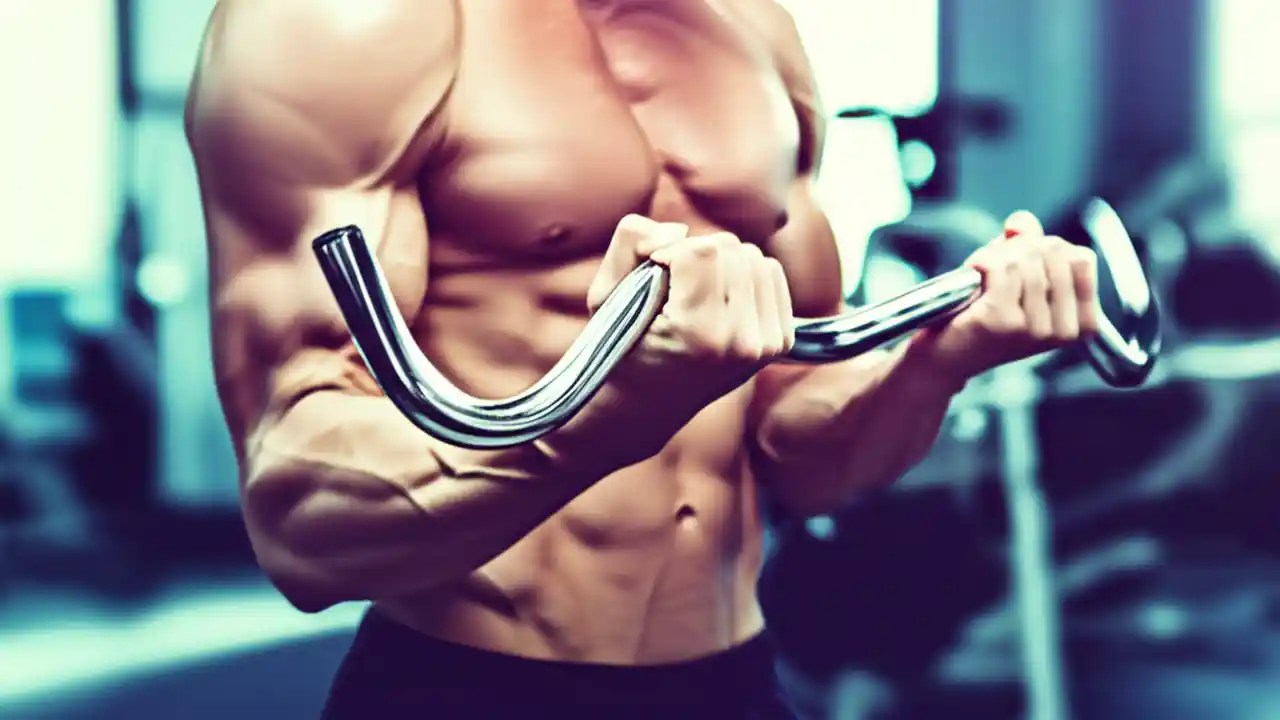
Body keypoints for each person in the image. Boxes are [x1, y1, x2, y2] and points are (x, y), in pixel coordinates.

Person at [186, 0, 1100, 717]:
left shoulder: (753, 34)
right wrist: (613, 410)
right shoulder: (345, 23)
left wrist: (941, 358)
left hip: (731, 685)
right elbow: (299, 523)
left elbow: (803, 457)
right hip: (476, 689)